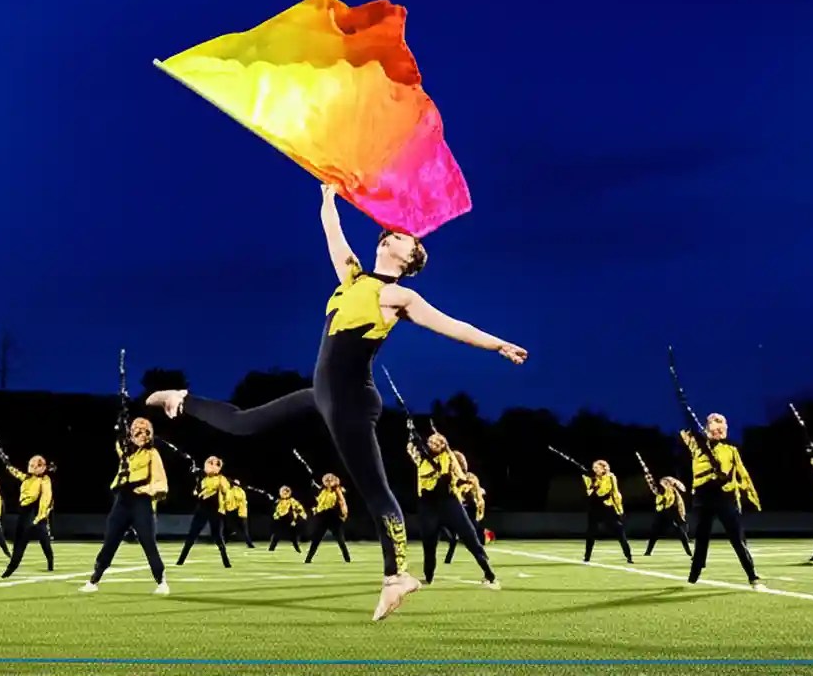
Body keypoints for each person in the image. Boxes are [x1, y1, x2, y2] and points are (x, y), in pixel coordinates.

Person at [146, 184, 527, 620]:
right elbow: (333, 233)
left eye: (405, 238)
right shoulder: (352, 277)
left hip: (352, 400)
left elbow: (452, 326)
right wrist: (329, 197)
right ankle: (182, 399)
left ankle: (396, 576)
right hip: (323, 394)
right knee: (243, 423)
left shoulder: (398, 297)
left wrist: (498, 345)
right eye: (394, 233)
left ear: (409, 259)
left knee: (375, 490)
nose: (394, 234)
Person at [82, 417, 169, 594]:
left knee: (148, 542)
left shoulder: (152, 453)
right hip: (122, 500)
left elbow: (161, 480)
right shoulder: (126, 452)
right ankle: (94, 579)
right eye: (136, 428)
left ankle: (161, 581)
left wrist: (147, 489)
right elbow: (119, 442)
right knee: (110, 541)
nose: (140, 431)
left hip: (141, 500)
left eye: (145, 429)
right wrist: (122, 424)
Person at [679, 413, 764, 588]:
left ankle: (752, 576)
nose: (719, 428)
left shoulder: (731, 450)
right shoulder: (697, 446)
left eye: (722, 425)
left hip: (724, 496)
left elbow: (743, 475)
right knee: (701, 537)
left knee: (737, 538)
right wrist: (699, 428)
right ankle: (694, 574)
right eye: (714, 424)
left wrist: (751, 495)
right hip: (703, 497)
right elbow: (685, 432)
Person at [408, 430, 498, 587]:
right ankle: (428, 576)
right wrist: (413, 438)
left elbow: (446, 474)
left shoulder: (448, 458)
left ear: (443, 446)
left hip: (449, 504)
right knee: (429, 544)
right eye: (429, 442)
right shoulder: (421, 459)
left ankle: (489, 573)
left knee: (470, 539)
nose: (431, 445)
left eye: (435, 443)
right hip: (428, 506)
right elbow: (411, 449)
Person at [0, 453, 55, 578]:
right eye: (30, 464)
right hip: (25, 513)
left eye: (33, 465)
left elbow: (46, 499)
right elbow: (17, 473)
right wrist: (7, 464)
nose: (30, 467)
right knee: (19, 543)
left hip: (35, 513)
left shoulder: (44, 480)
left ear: (40, 467)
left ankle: (50, 562)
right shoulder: (27, 478)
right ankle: (11, 567)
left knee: (44, 541)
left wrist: (39, 517)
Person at [176, 456, 232, 568]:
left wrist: (225, 507)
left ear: (219, 468)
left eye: (214, 463)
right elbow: (196, 494)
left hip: (216, 511)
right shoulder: (203, 479)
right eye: (208, 463)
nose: (210, 465)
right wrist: (197, 482)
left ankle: (226, 563)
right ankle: (180, 561)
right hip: (202, 510)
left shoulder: (222, 479)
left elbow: (227, 493)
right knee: (191, 535)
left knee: (218, 538)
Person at [583, 460, 633, 564]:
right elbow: (589, 492)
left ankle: (629, 555)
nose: (594, 469)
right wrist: (593, 483)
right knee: (591, 533)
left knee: (619, 530)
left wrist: (620, 510)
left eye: (597, 467)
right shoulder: (589, 477)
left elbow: (615, 493)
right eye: (594, 467)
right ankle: (587, 557)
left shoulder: (611, 477)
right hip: (594, 507)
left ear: (603, 468)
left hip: (608, 507)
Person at [444, 451, 486, 564]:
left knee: (473, 533)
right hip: (451, 510)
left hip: (466, 509)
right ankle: (448, 559)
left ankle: (482, 555)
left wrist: (479, 505)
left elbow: (477, 495)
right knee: (453, 538)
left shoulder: (471, 477)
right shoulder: (448, 478)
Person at [304, 473, 351, 565]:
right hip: (323, 517)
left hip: (334, 516)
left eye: (330, 480)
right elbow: (320, 502)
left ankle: (347, 559)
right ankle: (308, 560)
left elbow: (342, 502)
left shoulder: (338, 490)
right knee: (316, 539)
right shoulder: (322, 491)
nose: (328, 482)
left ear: (335, 481)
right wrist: (316, 509)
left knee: (340, 540)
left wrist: (344, 514)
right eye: (326, 481)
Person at [643, 476, 691, 557]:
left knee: (680, 531)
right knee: (655, 531)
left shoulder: (670, 491)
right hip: (663, 512)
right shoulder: (659, 495)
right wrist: (662, 503)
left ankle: (688, 551)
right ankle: (648, 551)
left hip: (672, 511)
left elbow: (681, 492)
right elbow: (659, 506)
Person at [269, 485, 307, 552]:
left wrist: (296, 520)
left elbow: (299, 510)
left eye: (285, 493)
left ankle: (298, 549)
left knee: (293, 537)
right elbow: (277, 511)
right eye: (282, 492)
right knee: (276, 536)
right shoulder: (279, 501)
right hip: (281, 521)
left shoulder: (292, 501)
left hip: (290, 521)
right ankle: (271, 549)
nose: (284, 494)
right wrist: (276, 516)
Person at [224, 479, 255, 549]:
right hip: (238, 512)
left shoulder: (236, 491)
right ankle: (249, 544)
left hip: (237, 512)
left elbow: (233, 500)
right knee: (234, 529)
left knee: (233, 529)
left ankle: (249, 543)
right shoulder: (235, 491)